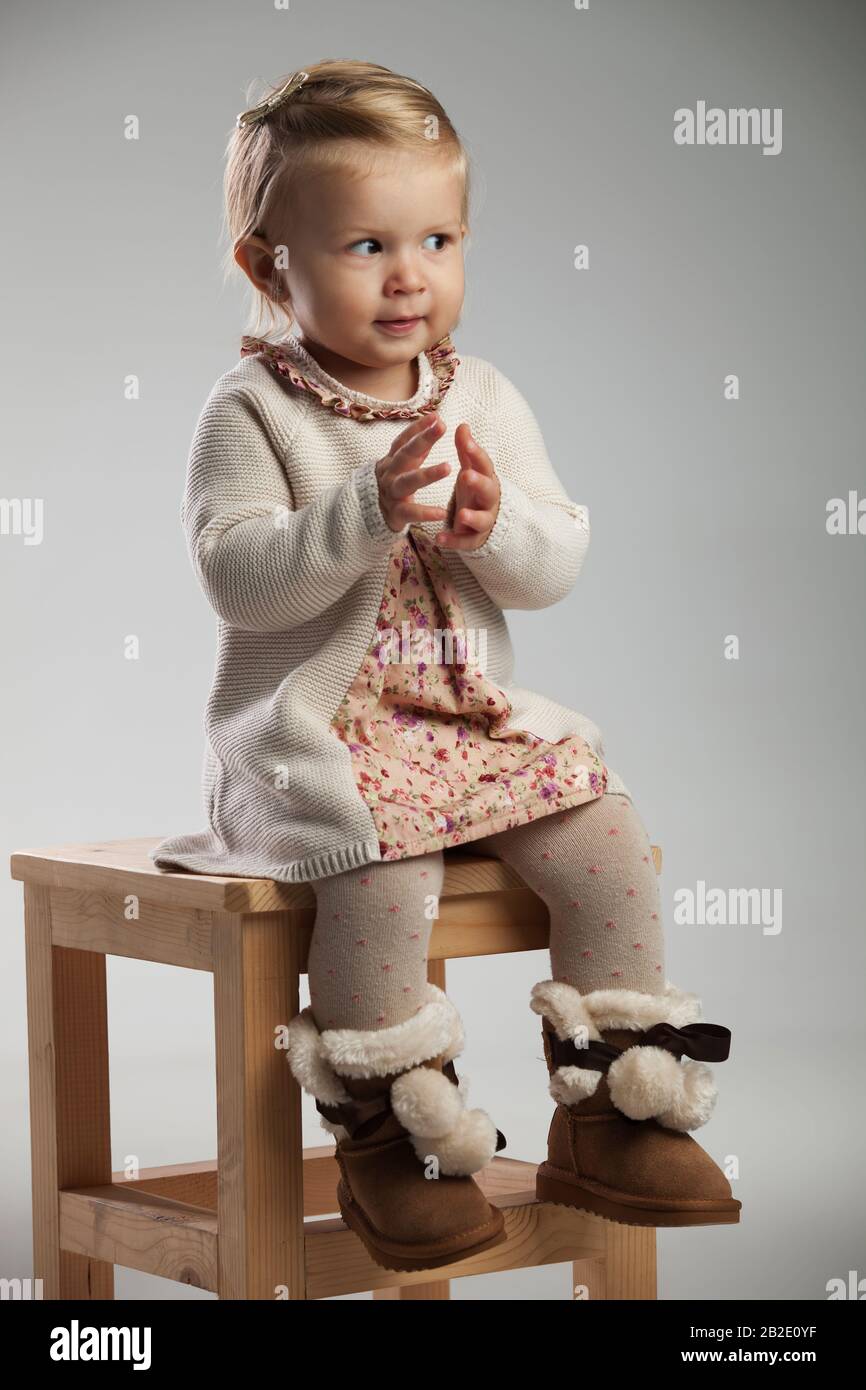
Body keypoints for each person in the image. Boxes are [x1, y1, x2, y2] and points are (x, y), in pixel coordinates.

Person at [151, 60, 740, 1273]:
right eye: (365, 244)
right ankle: (391, 1130)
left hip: (465, 727)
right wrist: (361, 511)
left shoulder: (480, 392)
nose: (409, 274)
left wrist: (493, 528)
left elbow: (557, 553)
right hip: (320, 740)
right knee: (378, 867)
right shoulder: (252, 411)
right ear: (272, 269)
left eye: (436, 237)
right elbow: (237, 574)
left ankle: (611, 1109)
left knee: (609, 836)